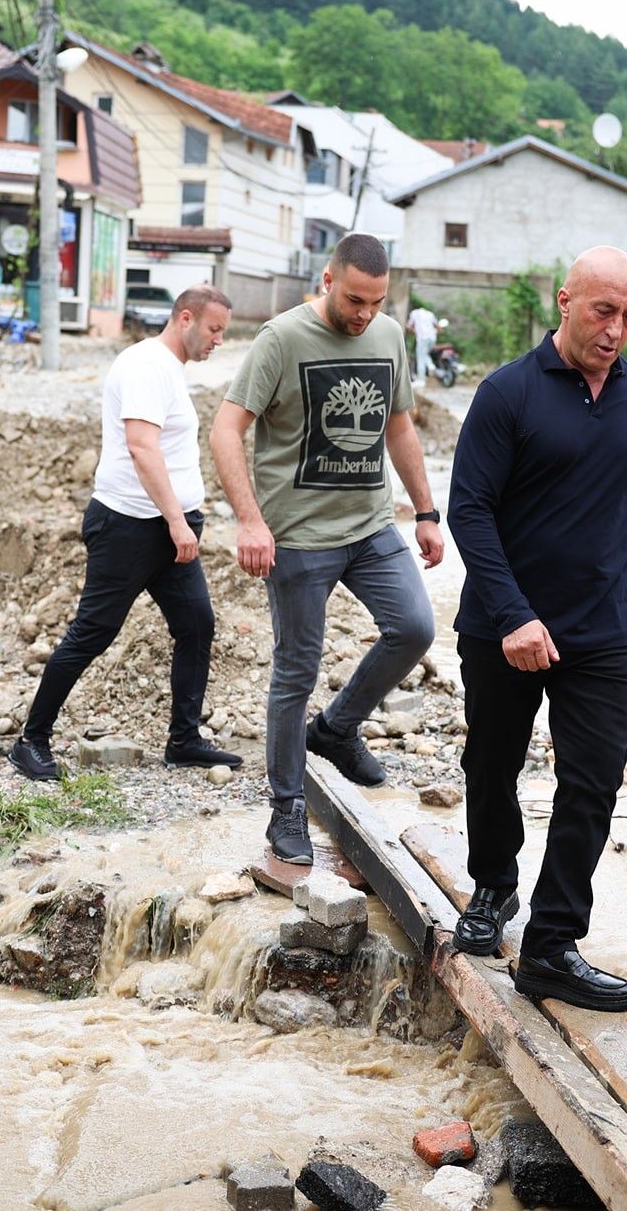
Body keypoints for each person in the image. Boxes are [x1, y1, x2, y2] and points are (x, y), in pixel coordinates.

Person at [445, 246, 627, 1013]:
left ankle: (550, 945)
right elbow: (470, 510)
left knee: (595, 781)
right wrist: (514, 615)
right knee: (492, 764)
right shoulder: (507, 392)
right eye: (604, 311)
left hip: (602, 626)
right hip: (503, 625)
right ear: (566, 302)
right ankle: (493, 887)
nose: (616, 330)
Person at [210, 232, 444, 865]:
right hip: (298, 538)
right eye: (354, 300)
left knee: (415, 628)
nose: (365, 313)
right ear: (327, 280)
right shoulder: (281, 339)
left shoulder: (388, 336)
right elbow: (227, 429)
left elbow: (399, 426)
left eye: (377, 301)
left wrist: (426, 512)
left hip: (370, 527)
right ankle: (286, 806)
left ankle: (337, 729)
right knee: (297, 670)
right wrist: (250, 521)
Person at [8, 285, 240, 782]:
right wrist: (176, 521)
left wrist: (182, 520)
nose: (218, 341)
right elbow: (141, 447)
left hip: (169, 526)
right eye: (214, 329)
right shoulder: (145, 365)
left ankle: (183, 740)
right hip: (130, 527)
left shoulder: (169, 368)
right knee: (94, 632)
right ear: (185, 319)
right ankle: (31, 741)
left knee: (196, 624)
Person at [408, 302, 439, 385]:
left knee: (420, 358)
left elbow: (409, 326)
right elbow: (438, 327)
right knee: (425, 354)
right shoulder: (430, 314)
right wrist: (434, 333)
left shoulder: (414, 313)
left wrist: (415, 332)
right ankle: (430, 365)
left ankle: (421, 380)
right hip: (432, 338)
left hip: (422, 338)